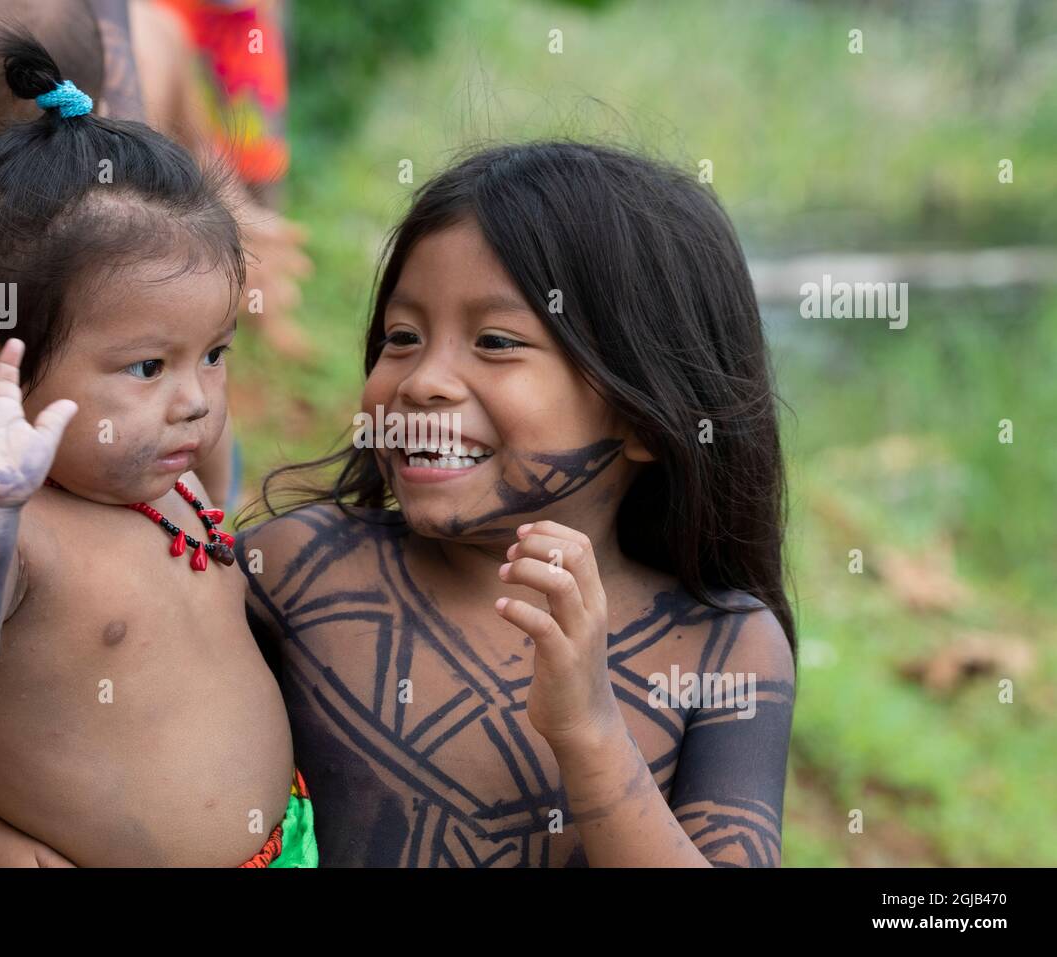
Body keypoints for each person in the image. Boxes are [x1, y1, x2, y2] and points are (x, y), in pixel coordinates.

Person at [234, 142, 797, 866]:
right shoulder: (295, 570)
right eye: (403, 337)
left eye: (495, 341)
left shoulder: (724, 648)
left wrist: (591, 730)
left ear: (644, 419)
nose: (424, 381)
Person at [0, 33, 315, 867]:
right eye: (148, 366)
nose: (194, 399)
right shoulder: (15, 528)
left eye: (213, 353)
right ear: (2, 364)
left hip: (286, 842)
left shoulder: (172, 473)